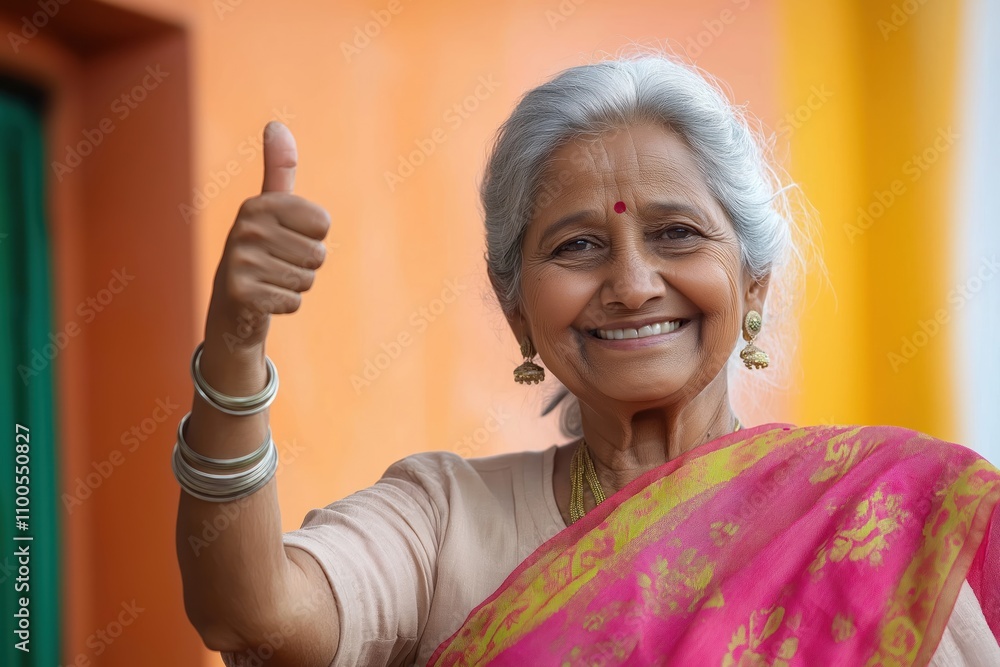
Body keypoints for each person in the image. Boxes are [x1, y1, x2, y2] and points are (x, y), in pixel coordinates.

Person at [175, 54, 1000, 666]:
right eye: (578, 245)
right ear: (517, 310)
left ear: (753, 283)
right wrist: (236, 350)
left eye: (676, 233)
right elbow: (253, 616)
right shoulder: (445, 522)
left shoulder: (885, 515)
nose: (634, 285)